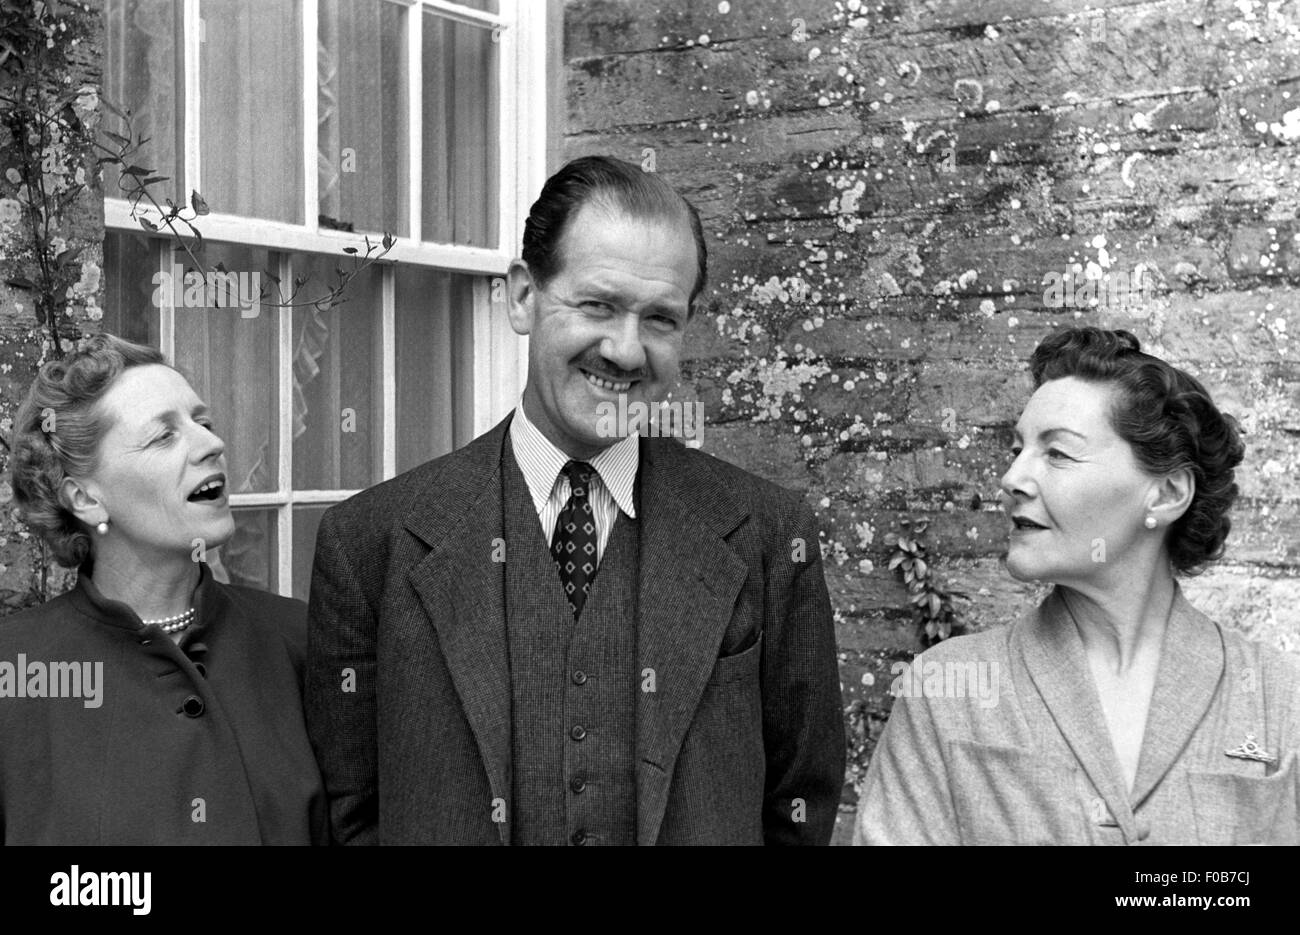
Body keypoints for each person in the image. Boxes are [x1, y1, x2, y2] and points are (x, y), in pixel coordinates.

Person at [306, 155, 845, 845]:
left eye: (659, 319)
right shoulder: (369, 544)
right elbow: (353, 820)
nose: (625, 350)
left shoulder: (770, 537)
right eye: (597, 305)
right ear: (523, 296)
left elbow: (800, 804)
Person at [855, 326, 1299, 845]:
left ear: (1166, 493)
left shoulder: (1278, 697)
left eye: (1058, 454)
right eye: (1017, 449)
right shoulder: (945, 690)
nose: (1013, 478)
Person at [0, 333, 327, 844]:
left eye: (203, 422)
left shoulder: (303, 643)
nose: (211, 443)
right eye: (163, 436)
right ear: (85, 498)